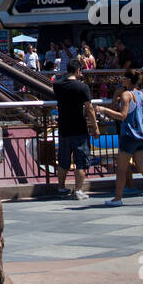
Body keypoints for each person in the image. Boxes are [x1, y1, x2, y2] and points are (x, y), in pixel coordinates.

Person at [95, 70, 143, 206]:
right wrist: (116, 96)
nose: (121, 79)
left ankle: (117, 198)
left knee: (121, 168)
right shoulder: (140, 94)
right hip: (140, 134)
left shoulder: (126, 95)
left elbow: (122, 116)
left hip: (129, 134)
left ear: (128, 80)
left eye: (124, 77)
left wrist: (103, 110)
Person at [52, 58, 96, 201]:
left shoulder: (57, 86)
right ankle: (78, 190)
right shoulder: (82, 87)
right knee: (81, 162)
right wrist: (95, 127)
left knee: (63, 161)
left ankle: (61, 187)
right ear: (78, 71)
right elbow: (89, 108)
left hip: (64, 128)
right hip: (79, 128)